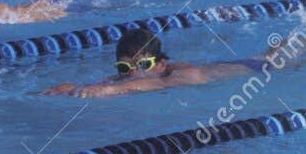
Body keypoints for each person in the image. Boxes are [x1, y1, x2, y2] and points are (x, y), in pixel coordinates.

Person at [40, 28, 285, 99]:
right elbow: (103, 86)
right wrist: (71, 89)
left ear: (161, 63)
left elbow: (154, 86)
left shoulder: (186, 75)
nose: (133, 74)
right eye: (124, 68)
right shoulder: (128, 79)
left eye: (142, 66)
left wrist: (113, 89)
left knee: (283, 54)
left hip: (263, 68)